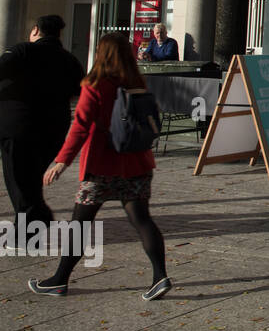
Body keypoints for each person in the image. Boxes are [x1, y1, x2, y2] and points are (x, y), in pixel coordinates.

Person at [32, 33, 170, 301]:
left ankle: (59, 280)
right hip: (137, 164)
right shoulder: (137, 83)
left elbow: (80, 127)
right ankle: (160, 276)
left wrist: (61, 161)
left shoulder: (95, 85)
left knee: (80, 225)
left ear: (101, 53)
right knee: (142, 220)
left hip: (101, 168)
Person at [0, 15, 85, 235]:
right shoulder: (69, 59)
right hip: (54, 130)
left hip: (19, 127)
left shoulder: (23, 51)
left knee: (19, 180)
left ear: (36, 30)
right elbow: (80, 91)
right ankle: (35, 221)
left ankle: (32, 227)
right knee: (30, 178)